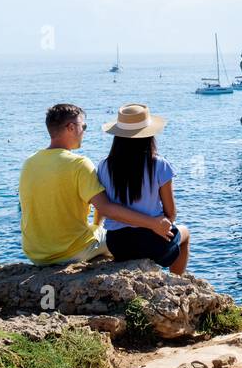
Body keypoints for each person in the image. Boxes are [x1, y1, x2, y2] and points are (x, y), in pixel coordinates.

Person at [18, 104, 172, 265]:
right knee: (120, 240)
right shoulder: (79, 164)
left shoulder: (30, 162)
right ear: (71, 127)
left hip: (35, 254)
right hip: (69, 251)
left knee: (103, 232)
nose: (84, 131)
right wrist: (153, 223)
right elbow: (105, 208)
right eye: (83, 126)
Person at [93, 103, 191, 275]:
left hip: (118, 244)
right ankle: (176, 281)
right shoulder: (159, 165)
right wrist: (158, 224)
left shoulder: (104, 166)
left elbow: (103, 207)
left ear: (118, 135)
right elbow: (171, 213)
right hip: (153, 243)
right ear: (149, 134)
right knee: (185, 233)